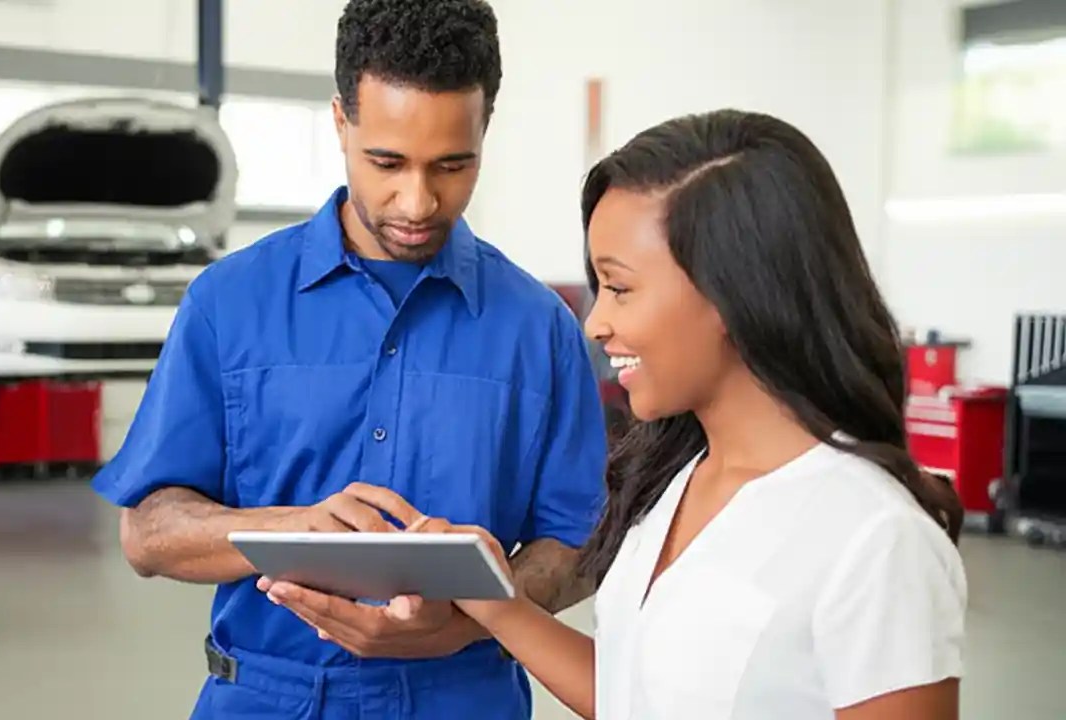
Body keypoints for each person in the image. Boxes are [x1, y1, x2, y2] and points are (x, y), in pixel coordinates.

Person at [91, 0, 607, 717]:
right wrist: (290, 528)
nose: (418, 200)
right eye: (386, 162)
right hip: (265, 697)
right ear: (340, 121)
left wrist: (463, 622)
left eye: (453, 165)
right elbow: (147, 533)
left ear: (485, 129)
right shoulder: (228, 303)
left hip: (463, 695)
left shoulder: (541, 328)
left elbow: (577, 540)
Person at [387, 109, 969, 719]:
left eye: (619, 288)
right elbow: (636, 697)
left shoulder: (876, 539)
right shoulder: (680, 478)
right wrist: (492, 598)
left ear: (734, 293)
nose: (596, 322)